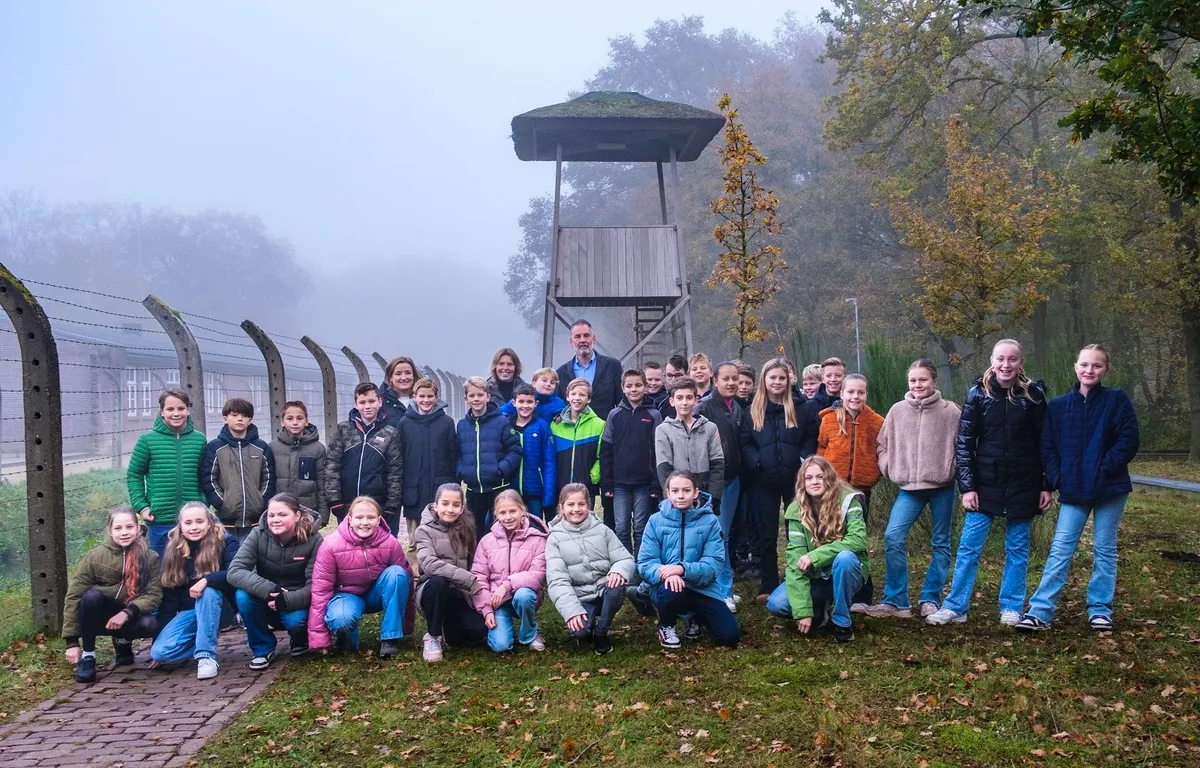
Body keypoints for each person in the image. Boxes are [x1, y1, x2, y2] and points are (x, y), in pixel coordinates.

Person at [1016, 344, 1140, 633]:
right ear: (1076, 367)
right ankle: (1040, 611)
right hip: (1073, 489)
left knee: (1104, 548)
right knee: (1061, 548)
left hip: (1110, 487)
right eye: (1084, 364)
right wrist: (1059, 477)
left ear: (1105, 369)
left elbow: (1128, 440)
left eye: (1096, 366)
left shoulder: (1116, 400)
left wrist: (1103, 467)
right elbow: (1047, 446)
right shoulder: (1058, 406)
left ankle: (1100, 610)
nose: (1089, 370)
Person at [927, 341, 1050, 627]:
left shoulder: (1033, 395)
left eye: (1012, 359)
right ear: (992, 361)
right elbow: (965, 443)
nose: (1006, 365)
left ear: (1021, 362)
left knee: (1018, 548)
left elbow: (1045, 441)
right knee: (969, 547)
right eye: (1000, 359)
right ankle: (956, 606)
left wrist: (1046, 484)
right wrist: (967, 487)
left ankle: (1011, 606)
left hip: (1024, 483)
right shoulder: (978, 394)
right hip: (985, 483)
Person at [856, 360, 960, 620]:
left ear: (934, 381)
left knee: (941, 543)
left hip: (942, 487)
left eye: (923, 380)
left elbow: (965, 447)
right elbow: (883, 444)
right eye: (913, 380)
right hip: (908, 489)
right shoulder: (897, 411)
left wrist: (952, 467)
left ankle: (930, 598)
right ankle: (896, 601)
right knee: (893, 537)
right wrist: (889, 467)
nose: (918, 385)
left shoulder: (951, 412)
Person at [740, 358, 819, 602]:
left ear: (788, 381)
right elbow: (745, 442)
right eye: (772, 377)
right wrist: (757, 462)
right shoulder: (753, 409)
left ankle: (802, 578)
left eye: (781, 378)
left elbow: (810, 435)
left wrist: (801, 457)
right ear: (764, 380)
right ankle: (769, 583)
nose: (777, 382)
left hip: (795, 479)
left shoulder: (801, 407)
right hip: (763, 480)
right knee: (767, 533)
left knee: (801, 528)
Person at [766, 456, 869, 643]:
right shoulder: (796, 510)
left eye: (820, 477)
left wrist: (815, 555)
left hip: (848, 571)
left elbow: (857, 540)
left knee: (845, 558)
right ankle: (818, 611)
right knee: (776, 604)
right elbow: (795, 560)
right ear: (802, 482)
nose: (814, 482)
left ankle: (842, 622)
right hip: (817, 577)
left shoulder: (848, 500)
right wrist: (802, 611)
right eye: (809, 478)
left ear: (829, 477)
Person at [638, 471, 741, 649]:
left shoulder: (710, 521)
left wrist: (682, 569)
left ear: (695, 493)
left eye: (686, 490)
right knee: (671, 591)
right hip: (667, 586)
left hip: (703, 588)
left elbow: (714, 564)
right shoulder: (655, 521)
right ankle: (666, 625)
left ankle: (696, 616)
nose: (680, 495)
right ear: (668, 493)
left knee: (729, 637)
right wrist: (666, 574)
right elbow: (646, 562)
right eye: (675, 491)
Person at [62, 506, 161, 683]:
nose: (124, 533)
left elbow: (153, 595)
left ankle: (122, 641)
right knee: (91, 596)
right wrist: (71, 642)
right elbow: (74, 596)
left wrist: (127, 613)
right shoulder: (95, 556)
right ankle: (88, 656)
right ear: (109, 530)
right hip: (97, 616)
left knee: (150, 624)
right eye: (118, 528)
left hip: (127, 614)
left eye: (129, 527)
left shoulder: (150, 557)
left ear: (138, 528)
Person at [308, 497, 414, 657]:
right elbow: (320, 590)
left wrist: (407, 623)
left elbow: (408, 582)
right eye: (359, 517)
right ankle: (347, 641)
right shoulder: (330, 545)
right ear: (349, 520)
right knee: (342, 620)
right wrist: (319, 637)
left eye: (370, 517)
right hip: (346, 595)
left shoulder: (391, 543)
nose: (365, 522)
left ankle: (390, 638)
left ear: (379, 520)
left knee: (398, 574)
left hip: (376, 594)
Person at [228, 493, 323, 670]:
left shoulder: (315, 540)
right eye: (271, 515)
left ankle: (300, 640)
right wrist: (271, 589)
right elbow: (235, 571)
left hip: (297, 599)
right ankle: (262, 649)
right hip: (267, 594)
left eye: (282, 515)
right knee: (242, 596)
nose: (275, 520)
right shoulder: (257, 534)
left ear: (297, 516)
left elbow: (316, 584)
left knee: (296, 622)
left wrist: (287, 599)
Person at [149, 502, 238, 679]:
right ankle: (205, 638)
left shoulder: (226, 541)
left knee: (208, 591)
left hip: (221, 607)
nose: (194, 527)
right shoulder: (175, 549)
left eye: (199, 521)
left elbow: (235, 573)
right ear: (180, 527)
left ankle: (206, 656)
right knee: (159, 652)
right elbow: (170, 598)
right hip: (190, 612)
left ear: (210, 523)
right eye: (188, 523)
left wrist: (206, 579)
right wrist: (158, 639)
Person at [545, 483, 636, 655]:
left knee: (616, 587)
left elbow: (625, 558)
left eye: (581, 504)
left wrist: (618, 570)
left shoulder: (602, 530)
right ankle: (587, 624)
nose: (576, 509)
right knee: (580, 633)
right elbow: (557, 580)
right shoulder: (554, 539)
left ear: (589, 505)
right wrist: (572, 611)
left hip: (605, 591)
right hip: (580, 597)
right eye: (570, 505)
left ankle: (602, 631)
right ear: (561, 508)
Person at [127, 388, 208, 557]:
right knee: (161, 570)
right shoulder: (147, 440)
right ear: (162, 412)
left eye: (181, 408)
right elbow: (134, 474)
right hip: (159, 520)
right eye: (170, 409)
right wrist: (141, 506)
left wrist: (204, 502)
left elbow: (205, 475)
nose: (176, 413)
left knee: (193, 568)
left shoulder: (199, 439)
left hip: (193, 522)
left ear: (188, 410)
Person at [414, 484, 488, 662]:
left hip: (459, 593)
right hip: (432, 591)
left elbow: (474, 562)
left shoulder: (467, 529)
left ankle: (448, 626)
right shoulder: (423, 531)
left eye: (455, 505)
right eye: (445, 504)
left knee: (478, 631)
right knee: (439, 582)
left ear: (462, 507)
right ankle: (432, 636)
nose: (450, 509)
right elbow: (429, 564)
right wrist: (469, 580)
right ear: (435, 505)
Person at [471, 491, 548, 653]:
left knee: (523, 596)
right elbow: (479, 578)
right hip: (497, 601)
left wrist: (507, 586)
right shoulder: (487, 541)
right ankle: (501, 628)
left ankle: (529, 633)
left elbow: (538, 574)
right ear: (495, 515)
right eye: (502, 513)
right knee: (501, 646)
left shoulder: (538, 539)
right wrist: (486, 610)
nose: (508, 517)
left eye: (513, 511)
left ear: (523, 510)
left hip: (525, 595)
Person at [325, 382, 404, 533]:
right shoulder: (343, 429)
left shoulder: (390, 433)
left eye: (372, 401)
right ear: (355, 404)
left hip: (377, 504)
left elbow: (395, 472)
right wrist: (334, 500)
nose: (367, 406)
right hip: (347, 504)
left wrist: (391, 505)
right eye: (362, 402)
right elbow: (332, 465)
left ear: (380, 402)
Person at [200, 397, 277, 549]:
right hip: (226, 519)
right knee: (227, 557)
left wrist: (260, 500)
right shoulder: (215, 447)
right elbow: (208, 478)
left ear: (250, 419)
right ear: (225, 418)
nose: (239, 419)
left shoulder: (261, 447)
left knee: (251, 558)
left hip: (255, 518)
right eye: (234, 415)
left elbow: (269, 477)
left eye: (244, 415)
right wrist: (221, 502)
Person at [600, 369, 662, 554]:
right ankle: (625, 565)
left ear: (645, 386)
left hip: (643, 483)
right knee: (621, 528)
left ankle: (641, 564)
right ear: (623, 388)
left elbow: (659, 450)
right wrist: (607, 482)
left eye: (638, 385)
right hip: (619, 484)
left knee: (640, 527)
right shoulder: (614, 414)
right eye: (629, 386)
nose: (633, 389)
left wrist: (655, 483)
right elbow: (606, 451)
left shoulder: (654, 414)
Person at [397, 377, 458, 552]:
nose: (425, 400)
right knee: (416, 542)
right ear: (414, 397)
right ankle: (416, 576)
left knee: (442, 541)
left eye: (430, 396)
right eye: (421, 396)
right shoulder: (405, 423)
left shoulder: (446, 423)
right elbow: (400, 457)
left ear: (436, 397)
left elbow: (452, 455)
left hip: (439, 489)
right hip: (413, 491)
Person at [456, 376, 522, 533]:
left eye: (480, 395)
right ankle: (476, 558)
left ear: (488, 396)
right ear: (466, 398)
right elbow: (458, 453)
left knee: (499, 529)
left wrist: (501, 469)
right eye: (472, 396)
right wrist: (462, 471)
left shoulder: (501, 421)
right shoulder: (462, 425)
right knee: (473, 530)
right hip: (473, 489)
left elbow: (515, 450)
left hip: (497, 487)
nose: (476, 399)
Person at [816, 374, 884, 520]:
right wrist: (823, 472)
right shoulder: (829, 419)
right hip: (834, 485)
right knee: (832, 527)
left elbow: (881, 450)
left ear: (866, 395)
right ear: (842, 394)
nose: (855, 396)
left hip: (862, 487)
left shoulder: (877, 423)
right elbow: (822, 446)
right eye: (850, 392)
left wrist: (874, 472)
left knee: (857, 527)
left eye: (860, 392)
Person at [700, 362, 745, 560]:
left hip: (733, 478)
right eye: (726, 379)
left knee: (724, 531)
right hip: (713, 480)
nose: (731, 383)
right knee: (718, 532)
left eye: (735, 378)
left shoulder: (737, 407)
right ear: (715, 381)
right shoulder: (704, 407)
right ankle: (719, 582)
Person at [270, 400, 328, 526]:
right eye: (290, 418)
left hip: (307, 513)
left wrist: (323, 515)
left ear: (306, 421)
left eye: (299, 418)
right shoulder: (272, 448)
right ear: (282, 422)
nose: (295, 422)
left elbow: (321, 483)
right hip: (279, 513)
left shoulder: (317, 448)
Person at [551, 378, 605, 506]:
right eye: (573, 394)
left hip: (585, 487)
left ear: (589, 399)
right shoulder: (555, 424)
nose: (577, 398)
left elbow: (602, 456)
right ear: (567, 397)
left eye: (582, 394)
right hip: (559, 486)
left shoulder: (599, 424)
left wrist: (591, 477)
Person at [556, 319, 623, 420]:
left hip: (605, 430)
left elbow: (621, 403)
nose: (582, 340)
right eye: (577, 336)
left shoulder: (613, 366)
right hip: (572, 432)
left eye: (586, 335)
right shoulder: (561, 373)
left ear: (594, 339)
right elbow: (559, 408)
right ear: (571, 342)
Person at [508, 383, 556, 519]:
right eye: (521, 401)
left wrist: (548, 497)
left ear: (536, 403)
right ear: (514, 402)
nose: (525, 405)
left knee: (535, 529)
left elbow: (549, 463)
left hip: (535, 492)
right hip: (511, 491)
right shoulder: (506, 425)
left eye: (529, 401)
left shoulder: (542, 427)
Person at [502, 367, 568, 424]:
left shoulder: (559, 403)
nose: (548, 384)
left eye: (552, 382)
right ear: (534, 383)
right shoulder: (523, 398)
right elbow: (503, 412)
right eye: (544, 380)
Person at [380, 356, 419, 423]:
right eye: (398, 374)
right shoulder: (379, 403)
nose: (403, 378)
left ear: (414, 376)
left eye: (408, 373)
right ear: (390, 378)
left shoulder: (425, 400)